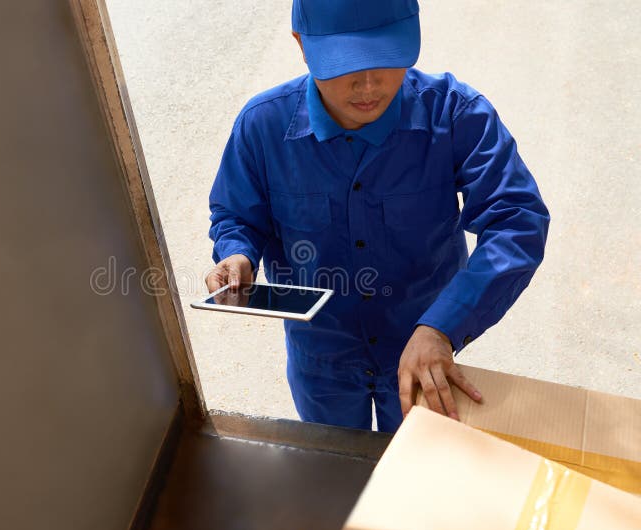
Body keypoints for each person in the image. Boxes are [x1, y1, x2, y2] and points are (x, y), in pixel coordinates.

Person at [205, 0, 550, 432]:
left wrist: (443, 327)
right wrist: (237, 253)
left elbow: (517, 220)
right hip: (321, 359)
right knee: (335, 471)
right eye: (345, 66)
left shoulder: (456, 115)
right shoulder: (262, 127)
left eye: (386, 60)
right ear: (301, 45)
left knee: (414, 477)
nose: (368, 85)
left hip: (422, 352)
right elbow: (236, 213)